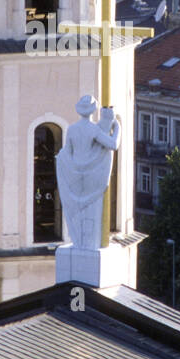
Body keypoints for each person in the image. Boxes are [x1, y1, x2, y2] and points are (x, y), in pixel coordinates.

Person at [54, 95, 120, 250]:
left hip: (73, 175)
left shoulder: (72, 129)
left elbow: (66, 153)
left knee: (77, 213)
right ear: (93, 109)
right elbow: (113, 144)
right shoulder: (94, 129)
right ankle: (88, 243)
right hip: (91, 175)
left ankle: (79, 241)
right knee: (91, 212)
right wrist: (118, 129)